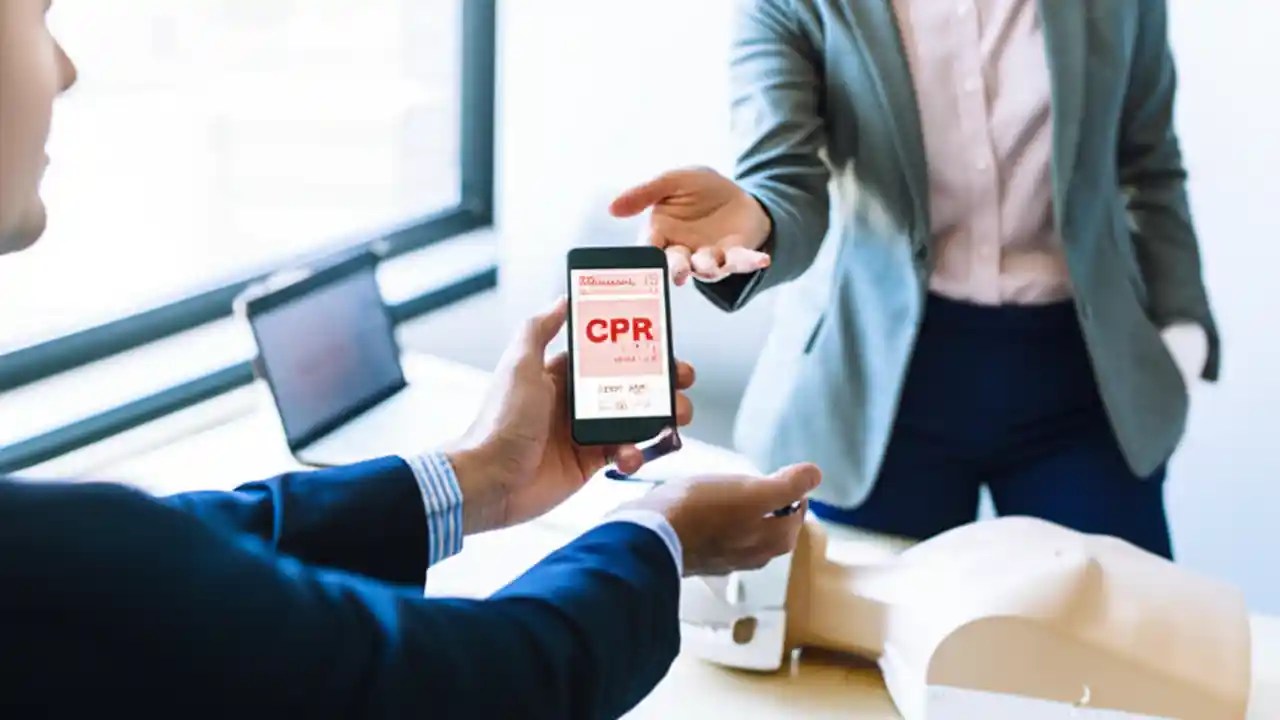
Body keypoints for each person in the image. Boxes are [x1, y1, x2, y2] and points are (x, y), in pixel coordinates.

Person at [0, 2, 821, 717]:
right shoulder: (56, 557)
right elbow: (455, 687)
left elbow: (176, 548)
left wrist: (475, 477)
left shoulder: (64, 545)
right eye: (38, 15)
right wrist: (661, 532)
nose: (66, 71)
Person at [610, 0, 1216, 558]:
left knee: (1121, 650)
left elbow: (1148, 164)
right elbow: (784, 177)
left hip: (1078, 378)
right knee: (857, 656)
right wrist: (754, 220)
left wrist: (1182, 336)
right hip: (874, 380)